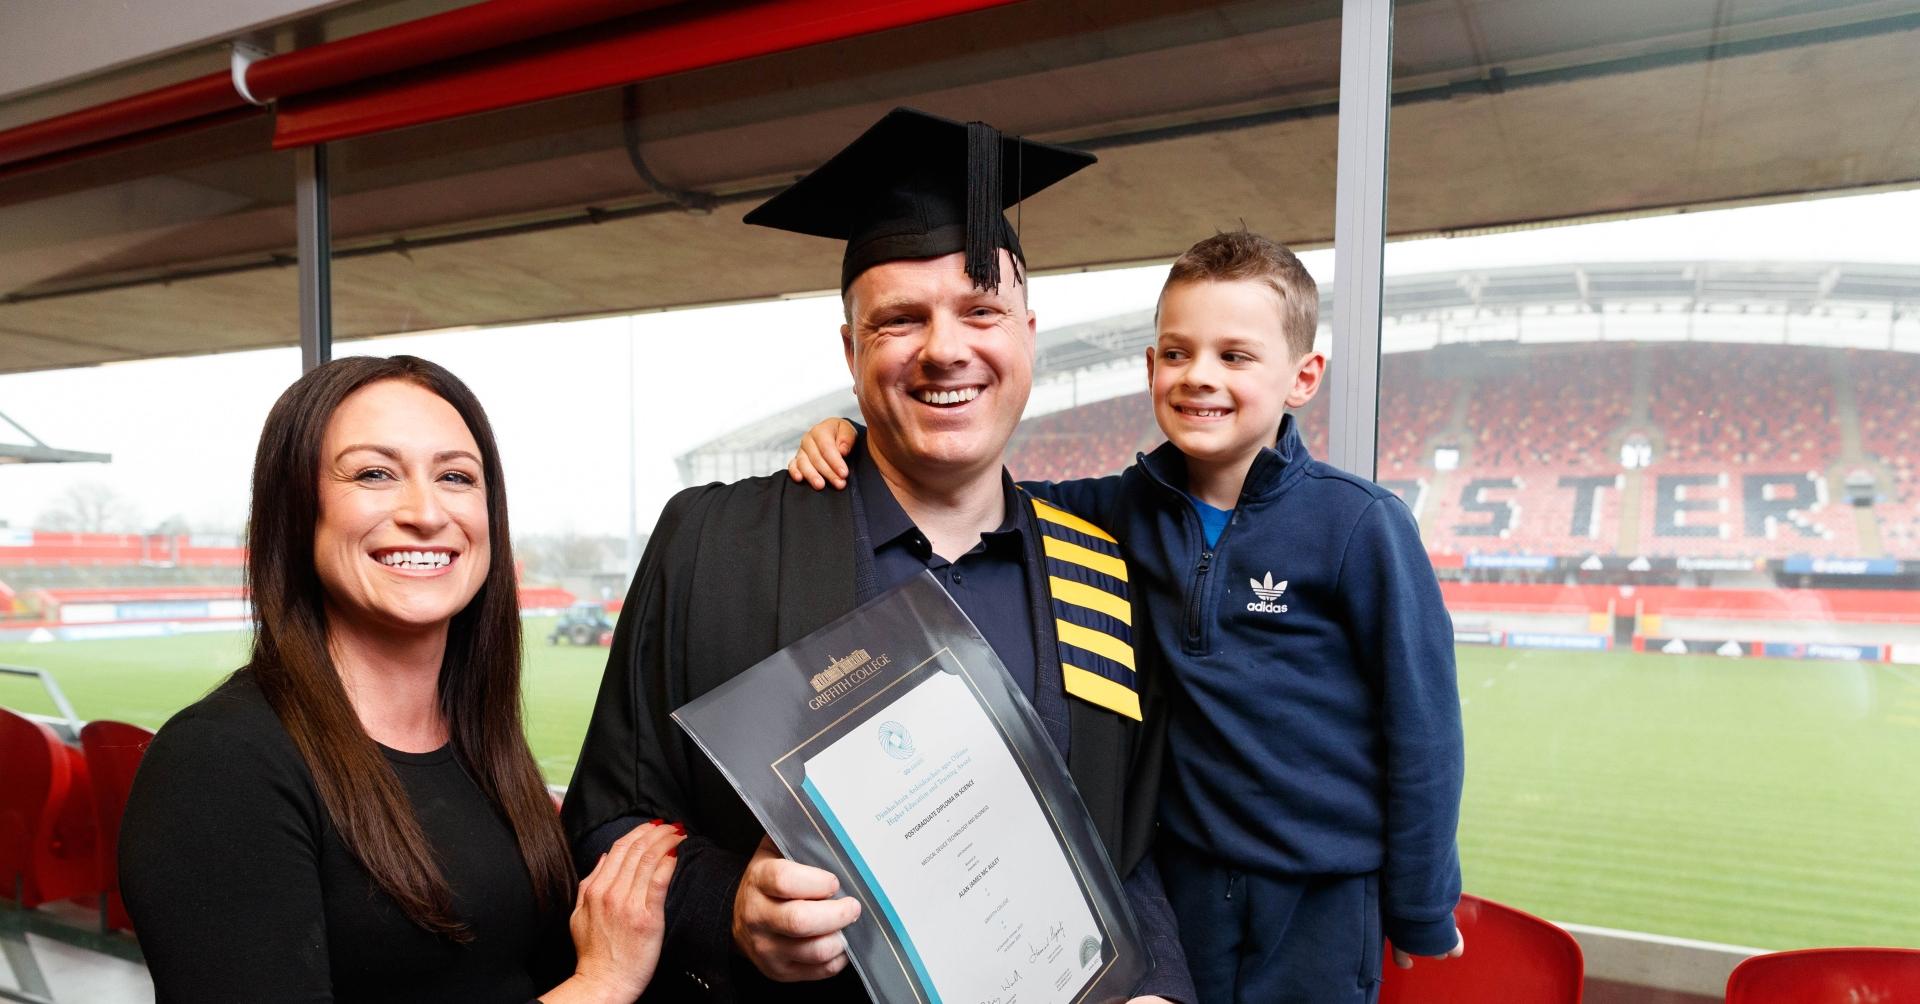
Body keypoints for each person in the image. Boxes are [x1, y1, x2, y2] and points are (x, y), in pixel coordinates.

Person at [562, 108, 1193, 1003]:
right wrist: (727, 906)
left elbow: (1131, 849)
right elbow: (605, 824)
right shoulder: (714, 546)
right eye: (900, 321)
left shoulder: (1102, 574)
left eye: (981, 310)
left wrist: (1157, 983)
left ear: (1028, 334)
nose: (946, 350)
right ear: (852, 350)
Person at [789, 230, 1466, 1003]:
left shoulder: (1360, 526)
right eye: (1176, 353)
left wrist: (1421, 903)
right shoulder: (1121, 508)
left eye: (1235, 357)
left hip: (1320, 892)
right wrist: (860, 436)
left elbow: (1425, 729)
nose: (1198, 377)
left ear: (1303, 377)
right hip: (1186, 881)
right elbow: (992, 499)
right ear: (1150, 367)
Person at [120, 355, 683, 1004]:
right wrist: (602, 983)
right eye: (374, 473)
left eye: (455, 476)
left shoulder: (481, 744)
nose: (426, 511)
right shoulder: (218, 766)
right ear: (298, 511)